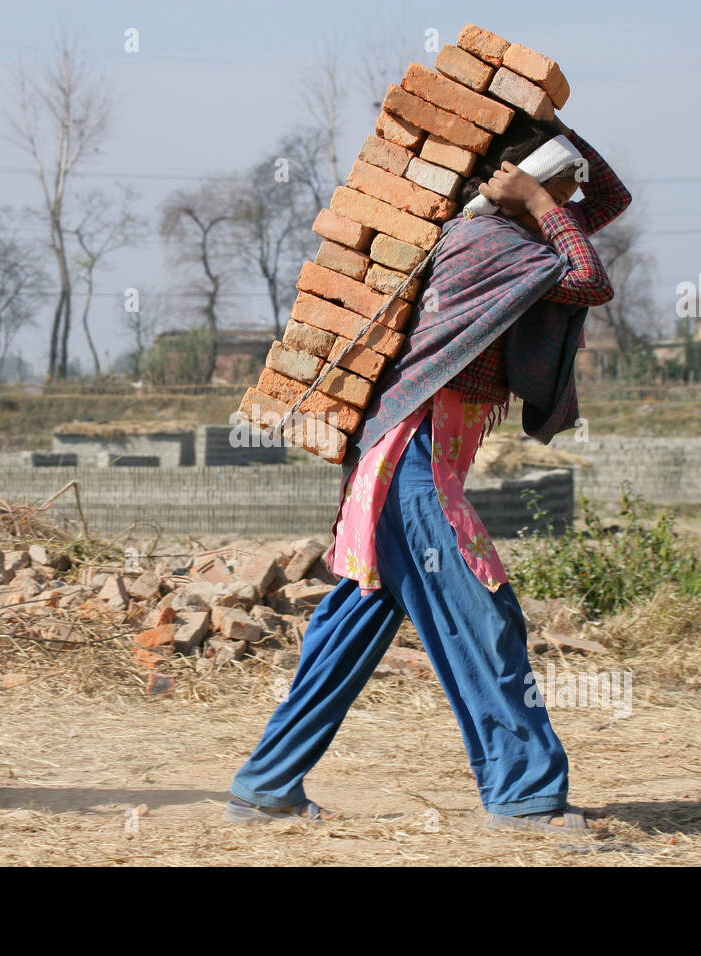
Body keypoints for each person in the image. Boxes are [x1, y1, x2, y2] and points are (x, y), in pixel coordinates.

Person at [225, 112, 631, 833]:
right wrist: (538, 197)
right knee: (485, 619)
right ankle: (526, 799)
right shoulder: (489, 245)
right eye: (557, 183)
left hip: (398, 460)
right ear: (523, 186)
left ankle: (265, 788)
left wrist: (536, 108)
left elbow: (610, 199)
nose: (572, 198)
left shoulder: (519, 232)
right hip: (411, 467)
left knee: (349, 630)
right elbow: (589, 278)